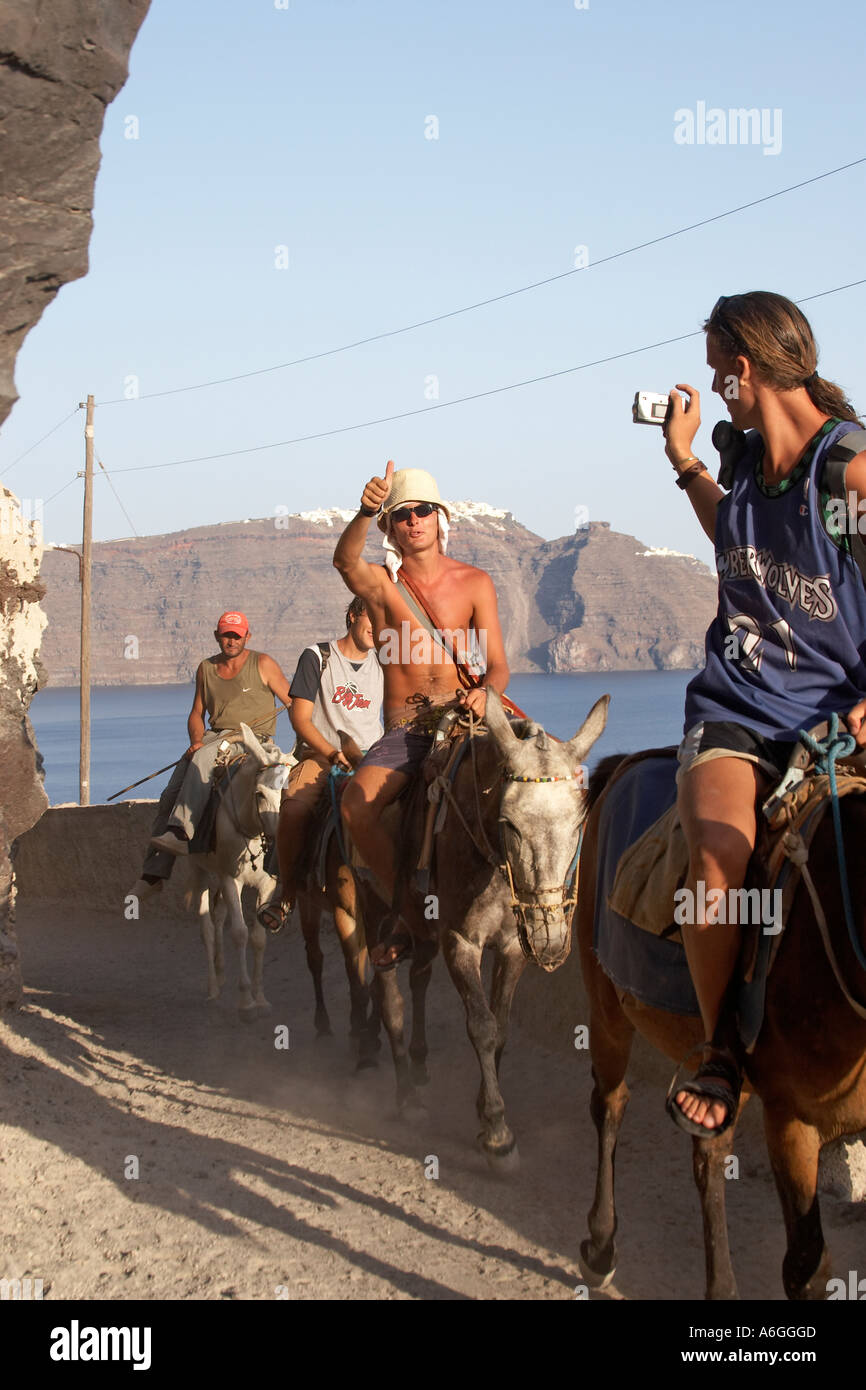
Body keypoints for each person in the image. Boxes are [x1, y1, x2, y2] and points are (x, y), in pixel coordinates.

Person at [662, 290, 866, 1137]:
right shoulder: (743, 463)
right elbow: (738, 543)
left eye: (718, 375)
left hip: (838, 717)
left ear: (744, 369)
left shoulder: (845, 472)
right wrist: (686, 467)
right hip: (735, 710)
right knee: (718, 863)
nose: (715, 391)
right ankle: (722, 1050)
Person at [333, 462, 510, 968]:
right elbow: (344, 561)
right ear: (391, 527)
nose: (414, 520)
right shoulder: (382, 586)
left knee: (537, 781)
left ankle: (538, 904)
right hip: (409, 729)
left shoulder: (477, 582)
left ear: (440, 518)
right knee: (356, 806)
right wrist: (366, 510)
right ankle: (411, 916)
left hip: (467, 718)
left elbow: (497, 666)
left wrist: (486, 695)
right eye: (403, 514)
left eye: (424, 511)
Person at [129, 611, 293, 896]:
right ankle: (153, 874)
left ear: (246, 637)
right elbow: (196, 713)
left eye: (236, 636)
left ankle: (181, 832)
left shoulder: (262, 663)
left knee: (205, 759)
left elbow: (293, 701)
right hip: (214, 738)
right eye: (226, 635)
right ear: (217, 636)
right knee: (170, 794)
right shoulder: (206, 668)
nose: (231, 641)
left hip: (253, 740)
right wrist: (195, 740)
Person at [257, 597, 384, 933]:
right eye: (371, 617)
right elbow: (300, 719)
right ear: (353, 616)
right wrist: (330, 753)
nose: (377, 627)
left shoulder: (385, 663)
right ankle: (286, 892)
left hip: (372, 759)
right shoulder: (318, 657)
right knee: (296, 809)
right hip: (322, 757)